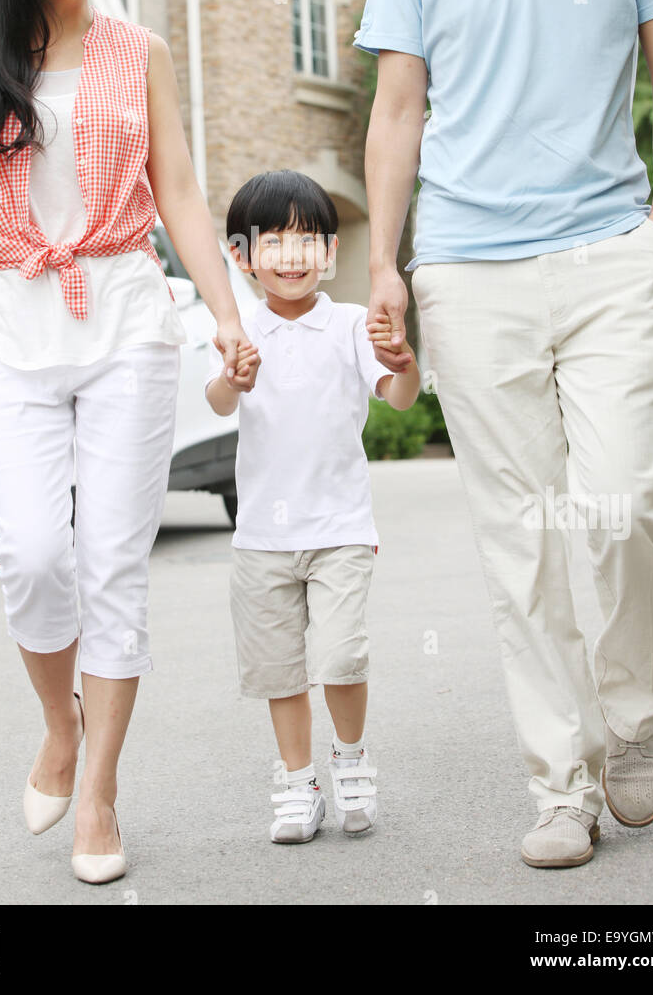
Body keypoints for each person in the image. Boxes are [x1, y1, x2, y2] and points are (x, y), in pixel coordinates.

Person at [356, 0, 653, 868]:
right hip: (466, 267)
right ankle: (560, 782)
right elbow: (394, 113)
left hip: (607, 252)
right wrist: (388, 266)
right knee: (522, 537)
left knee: (624, 505)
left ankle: (631, 717)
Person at [0, 0, 254, 884]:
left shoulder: (138, 51)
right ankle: (55, 726)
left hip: (125, 320)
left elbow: (182, 193)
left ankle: (97, 786)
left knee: (111, 563)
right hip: (13, 320)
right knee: (32, 554)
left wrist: (228, 314)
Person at [204, 170, 421, 842]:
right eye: (273, 240)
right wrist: (229, 377)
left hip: (340, 529)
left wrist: (406, 361)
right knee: (280, 669)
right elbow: (216, 403)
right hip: (261, 539)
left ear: (330, 253)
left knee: (342, 655)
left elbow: (400, 396)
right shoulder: (240, 331)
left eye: (308, 239)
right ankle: (298, 783)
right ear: (241, 256)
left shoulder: (352, 325)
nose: (292, 254)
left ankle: (351, 763)